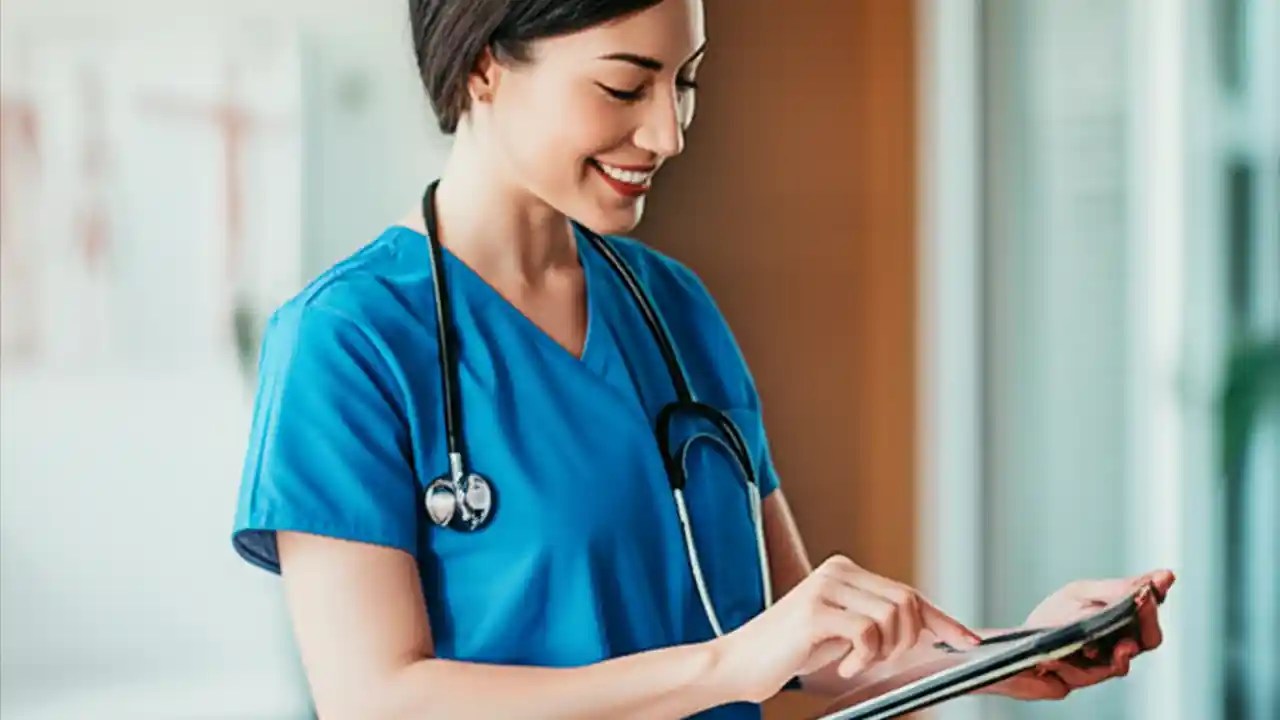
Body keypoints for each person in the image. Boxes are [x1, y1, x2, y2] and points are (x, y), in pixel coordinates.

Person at [230, 1, 1176, 718]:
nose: (668, 133)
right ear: (483, 66)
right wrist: (729, 668)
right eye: (624, 85)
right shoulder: (347, 341)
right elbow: (379, 701)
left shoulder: (671, 306)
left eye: (684, 82)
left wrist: (1008, 651)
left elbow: (797, 644)